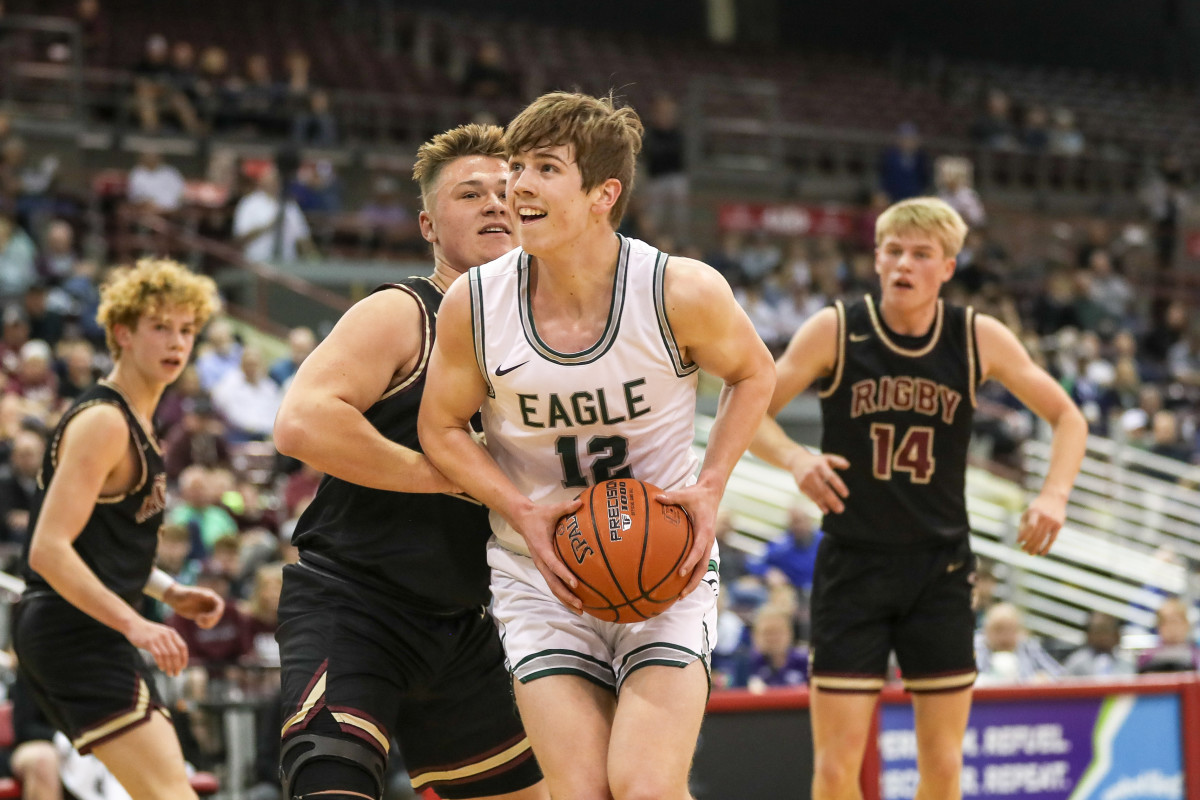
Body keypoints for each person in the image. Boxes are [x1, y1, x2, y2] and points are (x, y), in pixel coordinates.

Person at [418, 91, 776, 799]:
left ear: (602, 194)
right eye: (516, 166)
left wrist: (709, 487)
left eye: (546, 169)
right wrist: (519, 508)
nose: (518, 186)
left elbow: (754, 373)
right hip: (539, 575)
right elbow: (440, 428)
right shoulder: (476, 303)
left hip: (663, 570)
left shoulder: (679, 289)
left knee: (643, 786)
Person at [751, 196, 1087, 800]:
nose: (904, 264)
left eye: (921, 254)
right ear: (877, 260)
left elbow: (1068, 417)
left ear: (948, 267)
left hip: (940, 568)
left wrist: (1054, 494)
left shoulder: (976, 336)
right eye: (893, 251)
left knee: (941, 767)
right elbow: (749, 411)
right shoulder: (836, 328)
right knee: (834, 768)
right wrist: (797, 459)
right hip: (852, 562)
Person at [272, 123, 546, 800]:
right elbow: (301, 423)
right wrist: (452, 472)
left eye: (505, 190)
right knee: (331, 785)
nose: (493, 203)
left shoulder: (541, 342)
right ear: (428, 223)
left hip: (466, 620)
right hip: (356, 600)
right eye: (469, 193)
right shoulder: (401, 312)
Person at [13, 258, 226, 799]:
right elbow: (47, 551)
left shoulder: (140, 420)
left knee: (166, 789)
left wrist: (166, 590)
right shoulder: (105, 423)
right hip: (71, 629)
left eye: (186, 329)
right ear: (122, 333)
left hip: (85, 627)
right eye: (160, 327)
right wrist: (137, 623)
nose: (176, 341)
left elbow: (97, 542)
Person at [974, 602, 1064, 684]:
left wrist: (1044, 679)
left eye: (1010, 630)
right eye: (998, 629)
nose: (1005, 636)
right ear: (986, 631)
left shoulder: (1028, 646)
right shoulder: (976, 648)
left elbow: (1059, 675)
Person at [1062, 611, 1135, 677]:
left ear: (1117, 635)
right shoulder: (1077, 663)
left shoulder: (1126, 662)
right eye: (1097, 631)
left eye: (1106, 630)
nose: (1101, 636)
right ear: (1088, 635)